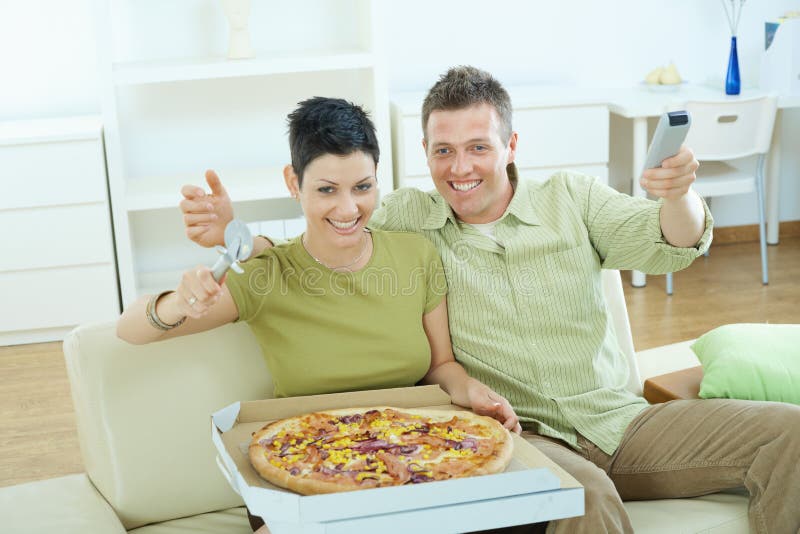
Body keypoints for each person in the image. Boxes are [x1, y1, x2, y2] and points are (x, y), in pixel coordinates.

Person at [181, 69, 800, 534]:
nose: (460, 167)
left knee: (792, 434)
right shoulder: (405, 220)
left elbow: (672, 240)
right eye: (442, 150)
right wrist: (239, 239)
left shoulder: (573, 200)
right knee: (586, 498)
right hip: (519, 434)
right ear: (423, 154)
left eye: (478, 146)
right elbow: (322, 239)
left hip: (624, 421)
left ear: (511, 145)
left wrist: (678, 194)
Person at [118, 96, 521, 534]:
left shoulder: (415, 255)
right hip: (304, 466)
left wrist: (473, 391)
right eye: (327, 189)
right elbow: (129, 329)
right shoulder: (268, 274)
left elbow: (441, 366)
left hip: (415, 464)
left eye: (362, 187)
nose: (348, 209)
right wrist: (179, 301)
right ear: (294, 182)